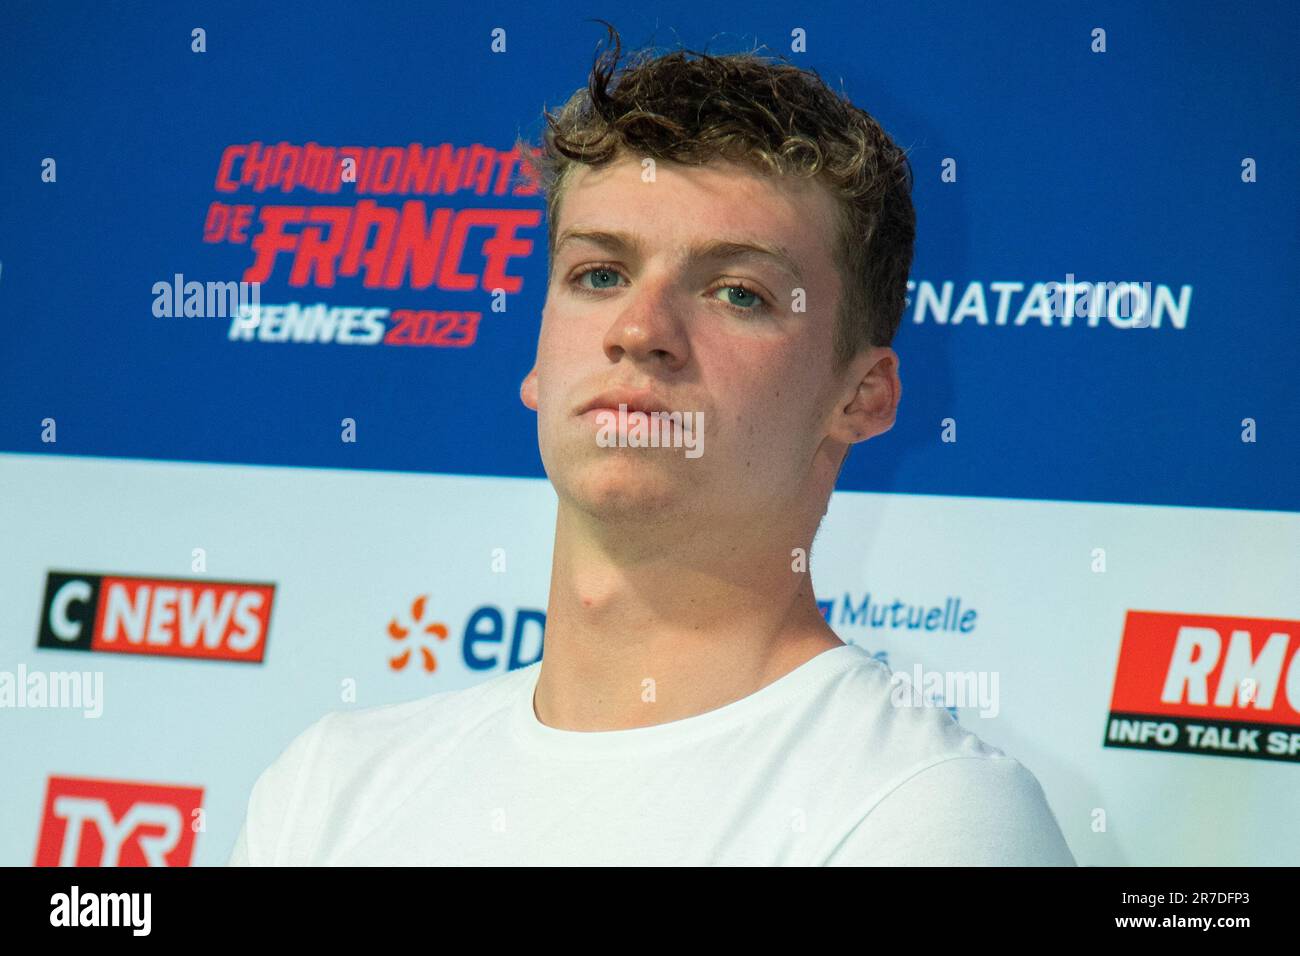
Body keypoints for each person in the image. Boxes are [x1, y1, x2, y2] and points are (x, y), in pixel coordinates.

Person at [228, 23, 1075, 866]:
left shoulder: (926, 814)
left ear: (861, 397)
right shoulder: (329, 789)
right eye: (599, 275)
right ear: (536, 359)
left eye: (738, 293)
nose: (640, 329)